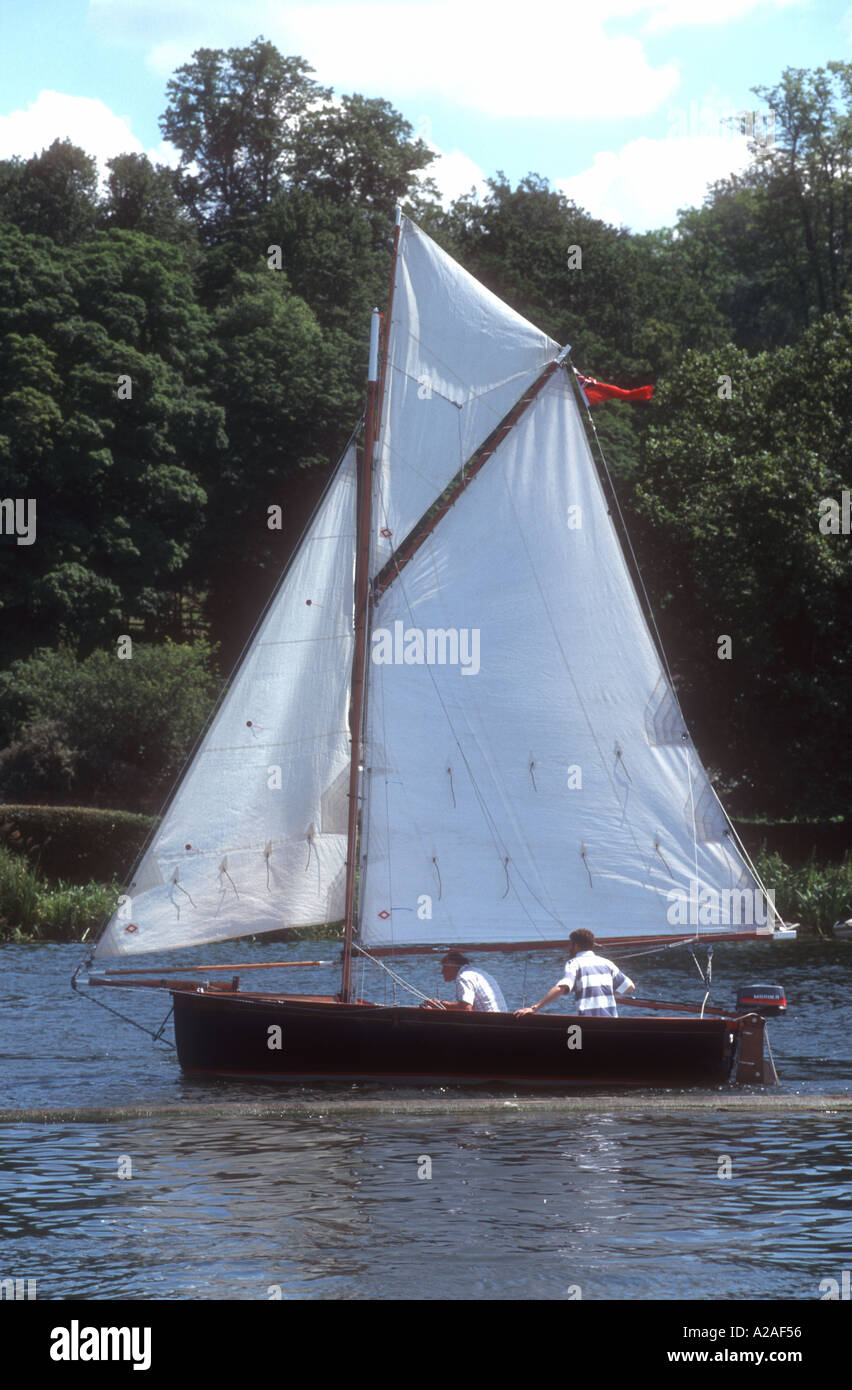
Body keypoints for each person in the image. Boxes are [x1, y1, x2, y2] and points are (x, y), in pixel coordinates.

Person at [514, 929, 634, 1019]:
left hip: (588, 1025)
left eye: (570, 944)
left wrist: (534, 1008)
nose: (568, 947)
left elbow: (561, 988)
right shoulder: (607, 963)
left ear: (575, 946)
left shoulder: (574, 963)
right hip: (612, 1023)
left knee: (575, 1046)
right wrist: (605, 991)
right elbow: (629, 987)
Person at [423, 951, 507, 1012]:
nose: (442, 972)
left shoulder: (464, 977)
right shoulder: (476, 972)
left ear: (452, 966)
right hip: (499, 1020)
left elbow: (466, 1008)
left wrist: (439, 1004)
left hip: (489, 1025)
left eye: (444, 967)